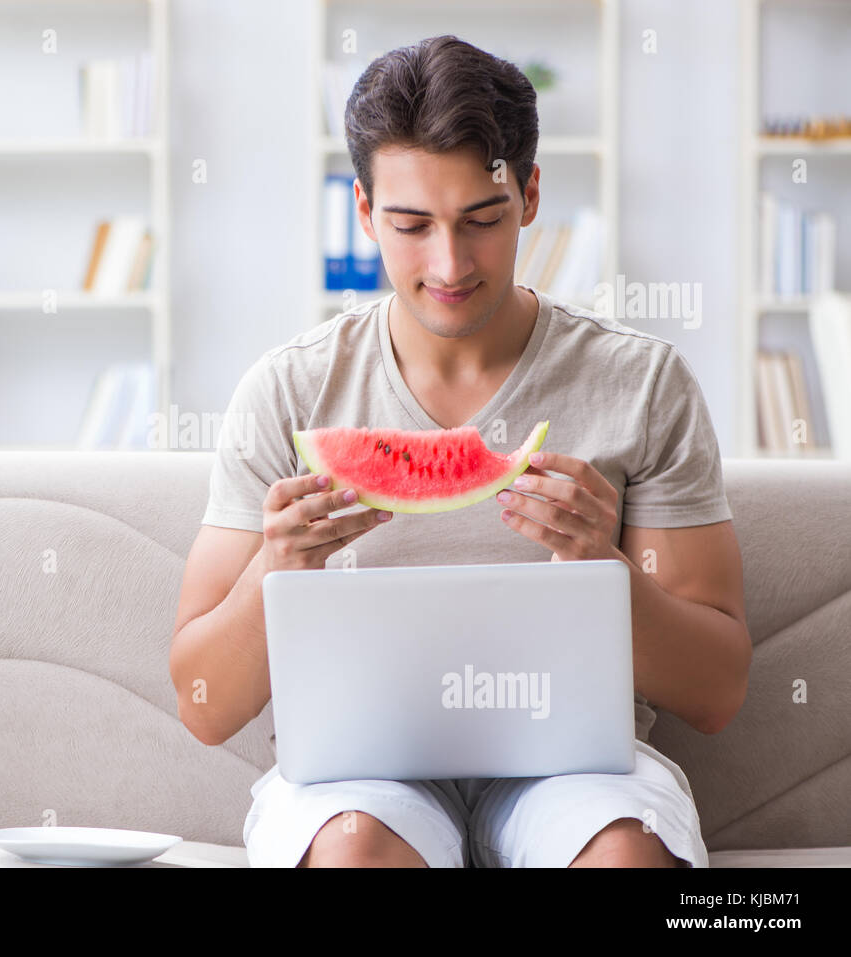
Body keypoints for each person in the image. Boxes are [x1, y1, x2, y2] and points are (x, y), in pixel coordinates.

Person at [169, 36, 750, 868]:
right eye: (411, 225)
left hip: (579, 771)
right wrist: (276, 569)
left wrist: (604, 571)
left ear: (531, 194)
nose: (449, 264)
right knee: (354, 849)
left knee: (624, 854)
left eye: (483, 219)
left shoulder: (641, 384)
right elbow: (203, 706)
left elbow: (717, 692)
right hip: (359, 779)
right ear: (365, 212)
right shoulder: (290, 392)